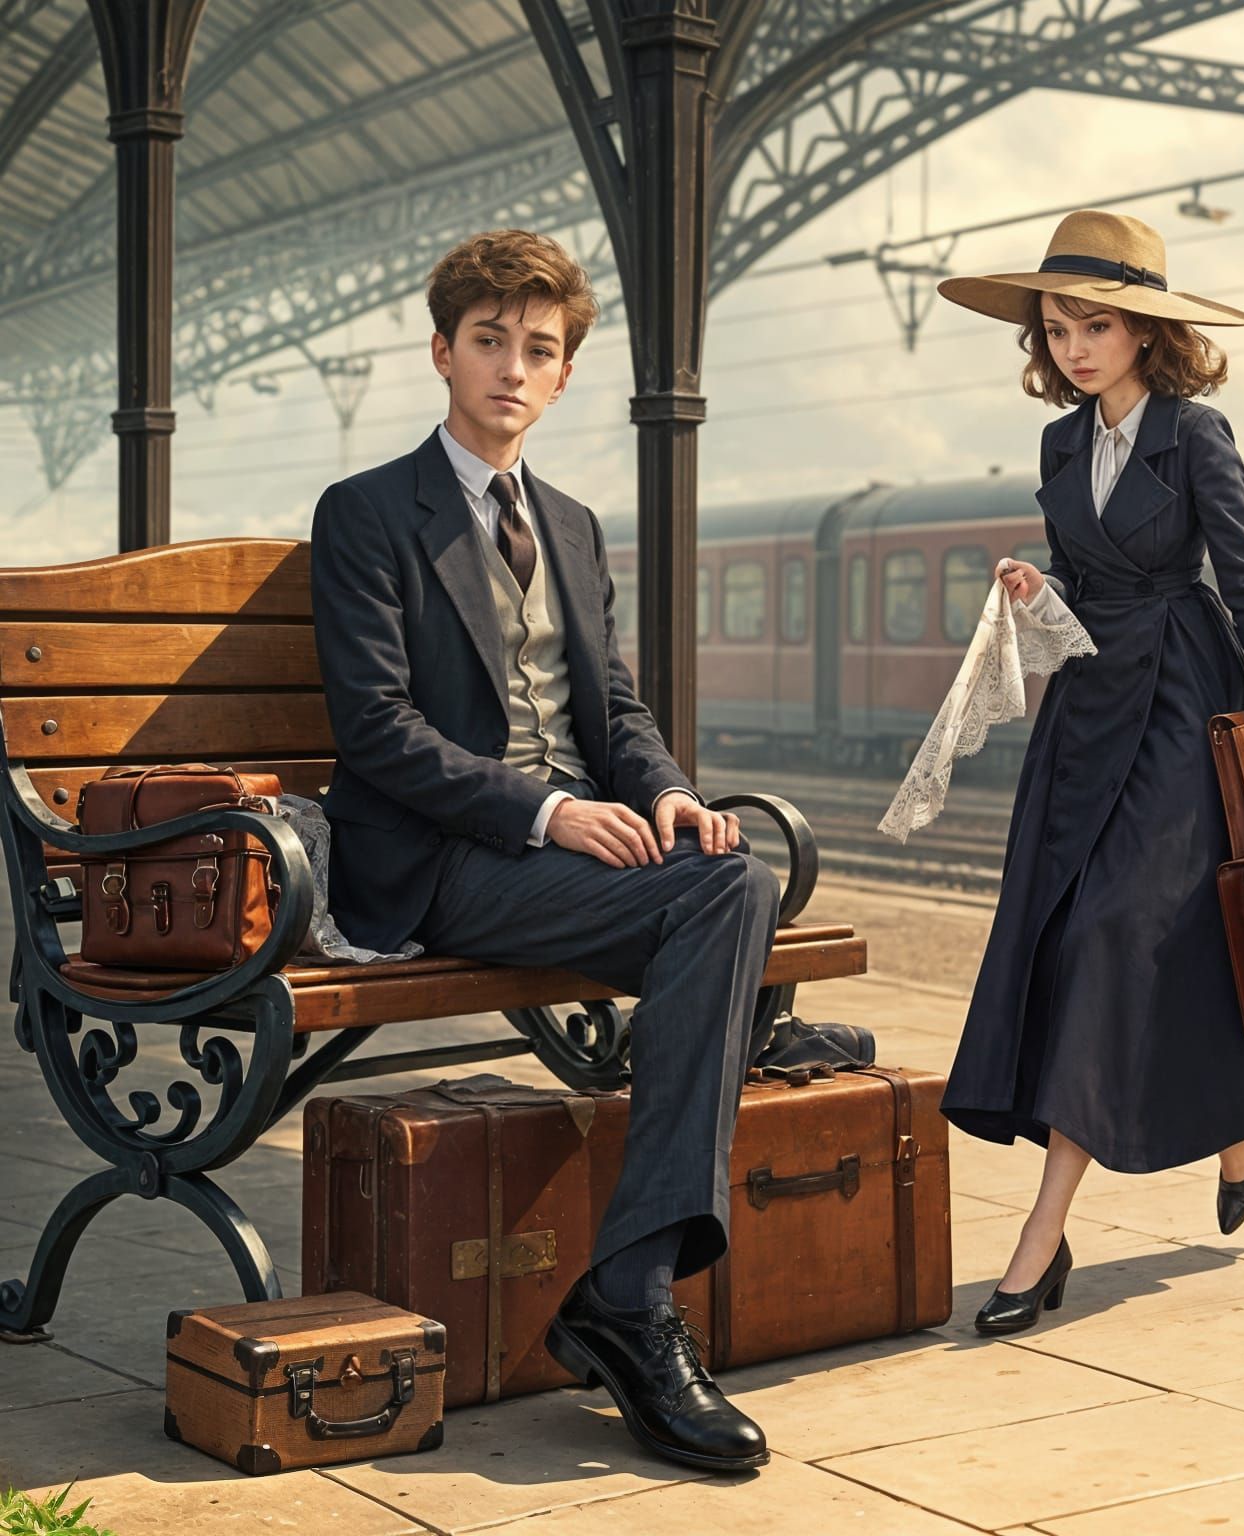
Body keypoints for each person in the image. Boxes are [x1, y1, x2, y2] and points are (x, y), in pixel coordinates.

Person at [309, 228, 778, 1469]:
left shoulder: (568, 522)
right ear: (441, 353)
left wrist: (668, 792)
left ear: (564, 376)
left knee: (731, 876)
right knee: (723, 910)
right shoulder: (366, 515)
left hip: (580, 854)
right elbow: (378, 734)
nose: (512, 368)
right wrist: (545, 813)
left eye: (539, 349)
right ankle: (635, 1305)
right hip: (446, 861)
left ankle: (628, 1288)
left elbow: (610, 710)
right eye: (489, 343)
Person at [935, 210, 1244, 1336]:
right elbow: (1083, 583)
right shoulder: (1058, 446)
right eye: (1058, 327)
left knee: (1115, 937)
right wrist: (1039, 589)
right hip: (1088, 715)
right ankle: (1238, 1125)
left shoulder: (1195, 432)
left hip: (1186, 700)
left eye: (1097, 324)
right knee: (1101, 936)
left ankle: (1040, 1237)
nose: (1074, 346)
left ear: (1145, 333)